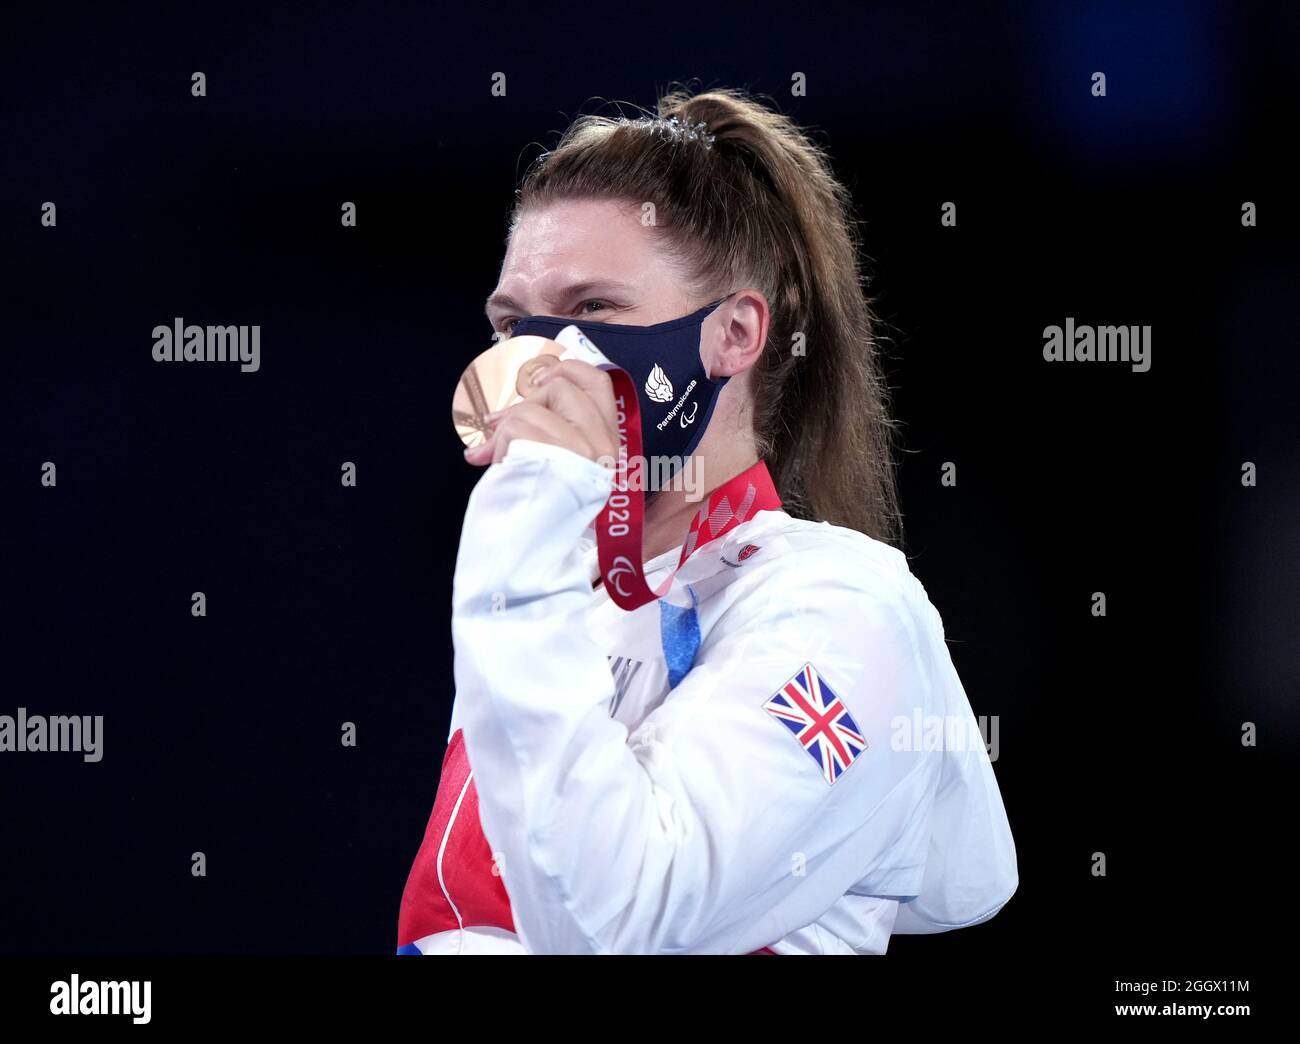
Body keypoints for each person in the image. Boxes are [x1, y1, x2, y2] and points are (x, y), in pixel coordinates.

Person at [396, 86, 1017, 955]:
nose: (535, 362)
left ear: (732, 335)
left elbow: (611, 924)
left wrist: (528, 517)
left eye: (594, 309)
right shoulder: (558, 597)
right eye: (511, 323)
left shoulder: (841, 607)